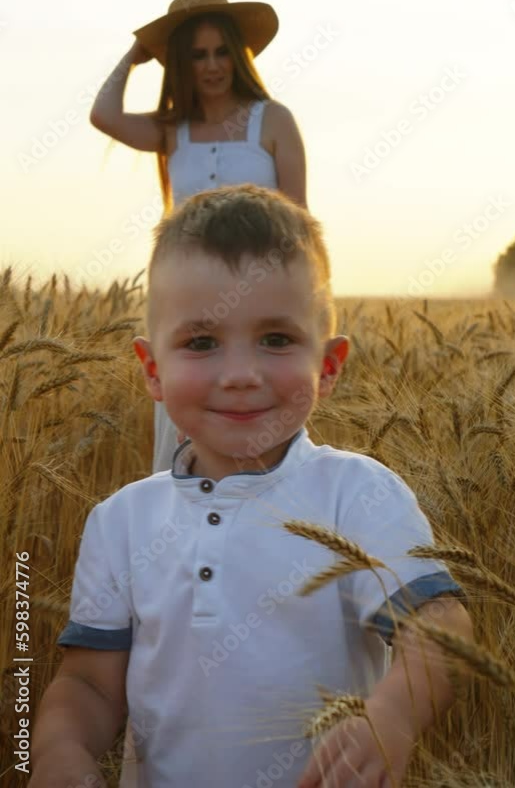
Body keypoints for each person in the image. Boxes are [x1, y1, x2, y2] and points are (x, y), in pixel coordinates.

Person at [30, 185, 472, 788]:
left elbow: (440, 623)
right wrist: (59, 751)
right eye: (202, 343)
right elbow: (87, 683)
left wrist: (391, 714)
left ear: (330, 364)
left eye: (276, 340)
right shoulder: (121, 520)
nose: (240, 375)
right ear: (153, 370)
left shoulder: (357, 494)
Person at [90, 0, 307, 472]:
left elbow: (300, 223)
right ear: (181, 64)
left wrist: (301, 309)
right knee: (183, 428)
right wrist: (137, 53)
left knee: (258, 426)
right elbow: (103, 115)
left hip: (260, 301)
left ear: (238, 55)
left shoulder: (271, 120)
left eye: (221, 51)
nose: (211, 65)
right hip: (186, 301)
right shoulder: (173, 130)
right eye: (196, 54)